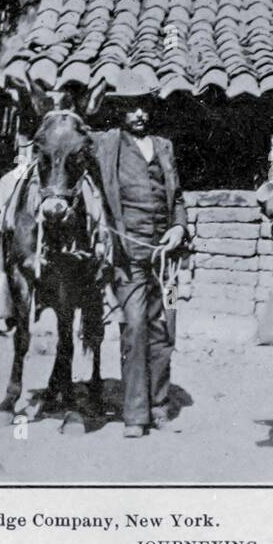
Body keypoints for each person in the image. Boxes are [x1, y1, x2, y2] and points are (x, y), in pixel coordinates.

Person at [92, 69, 188, 438]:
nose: (139, 114)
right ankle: (135, 415)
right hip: (127, 253)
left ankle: (159, 403)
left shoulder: (164, 146)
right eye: (131, 108)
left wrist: (178, 227)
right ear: (120, 111)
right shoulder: (108, 144)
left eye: (143, 106)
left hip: (164, 255)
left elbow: (176, 196)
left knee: (162, 331)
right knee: (134, 327)